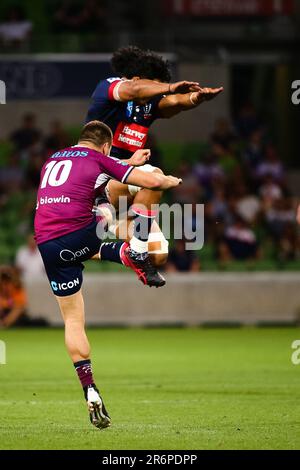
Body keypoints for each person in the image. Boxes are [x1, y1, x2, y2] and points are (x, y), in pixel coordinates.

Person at [34, 120, 182, 429]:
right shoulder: (99, 158)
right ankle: (137, 249)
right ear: (105, 146)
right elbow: (149, 183)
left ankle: (89, 388)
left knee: (73, 321)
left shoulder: (54, 159)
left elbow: (88, 174)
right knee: (151, 180)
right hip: (83, 231)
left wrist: (125, 162)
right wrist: (170, 180)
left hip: (49, 246)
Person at [86, 46, 223, 267]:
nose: (160, 94)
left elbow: (176, 102)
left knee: (158, 255)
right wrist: (169, 86)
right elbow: (133, 89)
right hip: (99, 183)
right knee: (152, 176)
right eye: (156, 88)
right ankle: (94, 235)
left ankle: (94, 241)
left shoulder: (148, 106)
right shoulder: (108, 89)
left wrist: (197, 97)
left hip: (125, 195)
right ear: (140, 80)